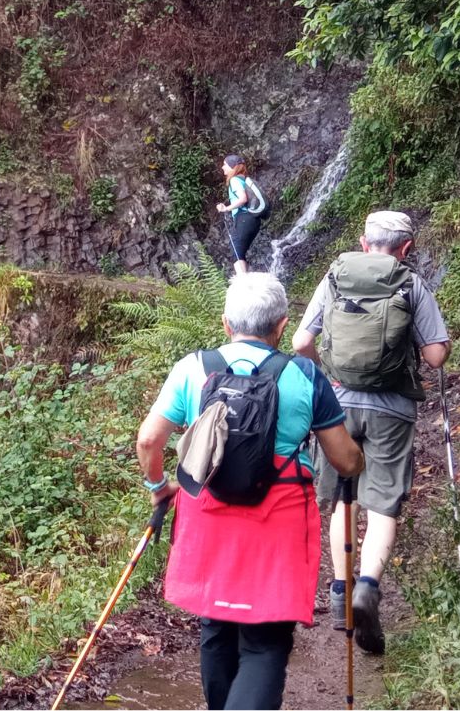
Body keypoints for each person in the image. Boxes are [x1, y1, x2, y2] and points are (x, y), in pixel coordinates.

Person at [137, 272, 364, 711]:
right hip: (277, 517)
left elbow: (149, 440)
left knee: (217, 625)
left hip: (208, 510)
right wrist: (359, 461)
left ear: (225, 324)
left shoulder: (193, 368)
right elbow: (344, 460)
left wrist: (158, 487)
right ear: (281, 325)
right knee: (264, 640)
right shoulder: (304, 376)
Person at [291, 210, 452, 655]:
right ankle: (367, 586)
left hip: (337, 406)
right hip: (392, 409)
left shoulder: (335, 278)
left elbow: (301, 343)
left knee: (345, 496)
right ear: (406, 248)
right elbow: (436, 357)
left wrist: (332, 375)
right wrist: (441, 343)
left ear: (364, 243)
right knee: (382, 502)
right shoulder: (411, 284)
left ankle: (340, 590)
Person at [215, 155, 266, 274]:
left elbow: (242, 199)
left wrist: (226, 208)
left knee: (237, 252)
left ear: (232, 166)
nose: (222, 167)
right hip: (253, 220)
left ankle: (244, 283)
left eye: (225, 164)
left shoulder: (234, 180)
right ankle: (246, 280)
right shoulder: (243, 179)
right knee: (239, 252)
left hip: (244, 218)